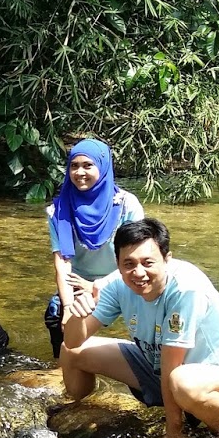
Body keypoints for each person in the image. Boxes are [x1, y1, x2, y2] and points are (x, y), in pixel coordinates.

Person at [60, 218, 219, 438]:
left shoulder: (185, 288)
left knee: (182, 381)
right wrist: (77, 314)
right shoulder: (119, 284)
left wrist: (173, 433)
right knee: (71, 352)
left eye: (148, 263)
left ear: (167, 259)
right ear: (117, 263)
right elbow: (73, 341)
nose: (138, 273)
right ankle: (78, 408)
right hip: (163, 372)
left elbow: (172, 363)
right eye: (129, 264)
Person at [44, 138, 144, 357]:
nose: (80, 172)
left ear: (103, 167)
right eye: (74, 166)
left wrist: (97, 286)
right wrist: (69, 306)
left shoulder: (127, 205)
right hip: (79, 284)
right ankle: (62, 368)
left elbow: (137, 258)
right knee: (55, 312)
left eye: (88, 165)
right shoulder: (59, 211)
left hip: (123, 280)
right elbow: (62, 265)